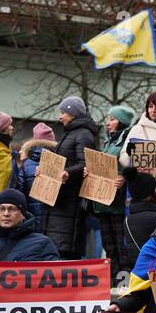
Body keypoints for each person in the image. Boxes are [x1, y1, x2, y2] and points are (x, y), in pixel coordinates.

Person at [45, 96, 101, 259]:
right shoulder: (71, 133)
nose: (60, 116)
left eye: (63, 112)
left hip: (71, 199)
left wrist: (68, 173)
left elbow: (86, 163)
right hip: (62, 197)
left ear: (73, 114)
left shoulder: (82, 134)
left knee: (65, 247)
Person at [93, 105, 135, 278]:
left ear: (122, 122)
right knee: (109, 247)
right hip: (103, 203)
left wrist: (123, 178)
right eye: (108, 119)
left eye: (112, 119)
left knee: (121, 246)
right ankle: (111, 282)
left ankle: (123, 283)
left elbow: (135, 166)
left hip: (118, 204)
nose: (108, 123)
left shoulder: (128, 141)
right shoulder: (108, 141)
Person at [11, 122, 59, 225]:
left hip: (31, 216)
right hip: (55, 218)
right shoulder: (61, 162)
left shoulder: (26, 164)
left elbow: (20, 191)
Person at [119, 91, 156, 168]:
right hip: (145, 179)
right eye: (150, 106)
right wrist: (129, 154)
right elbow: (123, 160)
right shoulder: (138, 129)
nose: (153, 110)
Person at [123, 170, 156, 255]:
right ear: (149, 195)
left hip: (139, 266)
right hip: (155, 267)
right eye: (155, 189)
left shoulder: (128, 219)